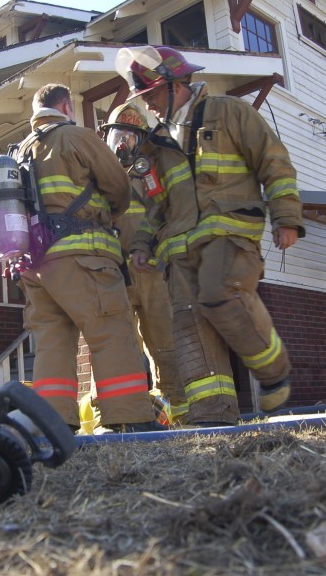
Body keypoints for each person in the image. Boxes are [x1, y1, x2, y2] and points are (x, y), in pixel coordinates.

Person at [114, 46, 305, 425]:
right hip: (178, 250)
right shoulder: (156, 147)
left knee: (220, 294)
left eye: (151, 94)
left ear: (175, 84)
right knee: (189, 327)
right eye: (144, 97)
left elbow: (274, 161)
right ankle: (212, 418)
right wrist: (141, 245)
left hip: (228, 232)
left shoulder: (229, 112)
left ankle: (273, 373)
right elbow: (157, 207)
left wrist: (286, 216)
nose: (148, 104)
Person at [13, 84, 161, 432]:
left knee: (52, 342)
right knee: (111, 329)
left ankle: (54, 424)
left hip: (35, 266)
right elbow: (119, 188)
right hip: (81, 256)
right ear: (66, 105)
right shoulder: (76, 137)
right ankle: (129, 418)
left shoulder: (20, 150)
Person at [100, 102, 188, 425]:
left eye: (129, 137)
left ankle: (179, 410)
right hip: (115, 273)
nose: (122, 144)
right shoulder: (99, 177)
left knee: (165, 341)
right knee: (119, 347)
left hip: (151, 271)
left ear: (141, 140)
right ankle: (128, 416)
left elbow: (167, 212)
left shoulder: (151, 173)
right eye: (117, 136)